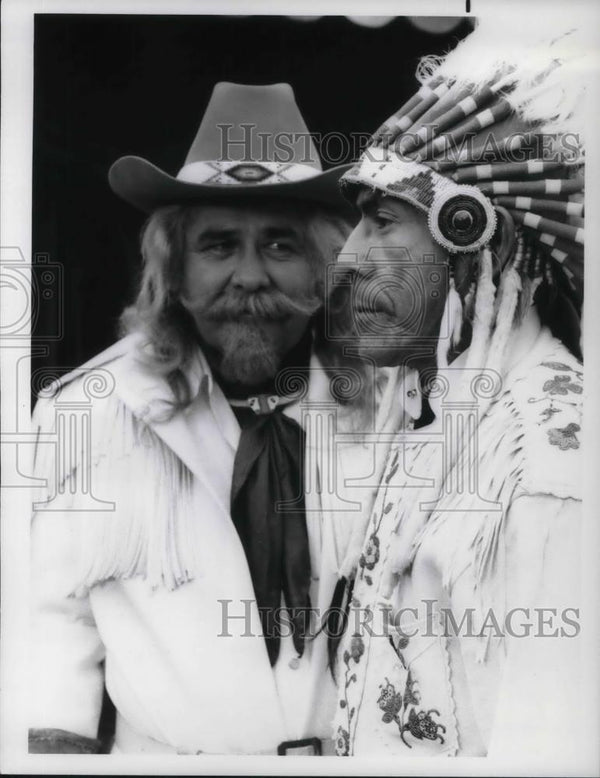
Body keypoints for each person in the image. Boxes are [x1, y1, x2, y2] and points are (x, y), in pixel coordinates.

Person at [28, 82, 357, 755]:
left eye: (280, 245)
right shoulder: (90, 412)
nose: (249, 276)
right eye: (217, 246)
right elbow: (48, 630)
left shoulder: (390, 406)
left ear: (325, 270)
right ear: (173, 272)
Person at [327, 19, 587, 759]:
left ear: (480, 242)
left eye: (382, 222)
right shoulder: (430, 416)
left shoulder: (550, 468)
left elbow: (551, 753)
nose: (347, 261)